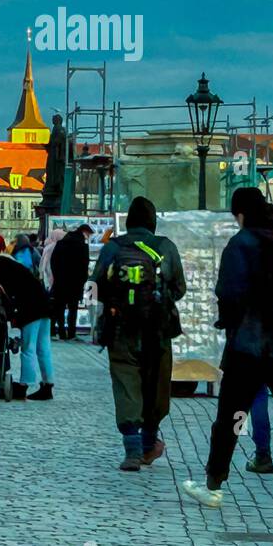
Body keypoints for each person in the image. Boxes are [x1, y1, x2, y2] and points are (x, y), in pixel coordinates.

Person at [183, 187, 273, 507]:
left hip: (249, 346)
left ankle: (214, 485)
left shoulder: (241, 243)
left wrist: (229, 327)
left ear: (241, 214)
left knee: (231, 417)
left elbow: (228, 293)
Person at [92, 198, 186, 471]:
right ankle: (149, 443)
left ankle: (132, 451)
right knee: (155, 384)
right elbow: (179, 287)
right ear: (152, 222)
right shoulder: (165, 247)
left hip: (120, 329)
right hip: (157, 330)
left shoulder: (113, 247)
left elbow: (97, 281)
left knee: (126, 382)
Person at [0, 251, 56, 401]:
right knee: (43, 348)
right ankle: (48, 386)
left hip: (31, 310)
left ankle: (23, 386)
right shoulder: (17, 270)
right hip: (45, 307)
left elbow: (7, 297)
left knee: (28, 348)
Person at [50, 224, 94, 339]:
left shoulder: (60, 244)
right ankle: (71, 333)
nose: (87, 237)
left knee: (60, 307)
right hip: (76, 282)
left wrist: (57, 276)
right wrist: (83, 279)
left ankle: (61, 332)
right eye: (88, 235)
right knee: (73, 308)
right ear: (84, 232)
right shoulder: (83, 246)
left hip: (60, 281)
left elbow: (53, 261)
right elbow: (85, 264)